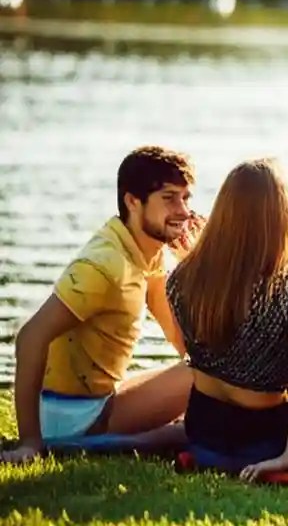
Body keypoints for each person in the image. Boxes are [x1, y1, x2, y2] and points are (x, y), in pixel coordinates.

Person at [1, 147, 200, 464]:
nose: (184, 211)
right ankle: (83, 444)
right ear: (132, 201)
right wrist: (29, 442)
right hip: (72, 417)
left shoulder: (144, 250)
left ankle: (169, 434)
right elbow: (30, 338)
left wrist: (194, 264)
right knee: (202, 373)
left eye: (186, 198)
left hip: (96, 398)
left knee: (201, 369)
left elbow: (185, 342)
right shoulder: (104, 265)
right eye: (169, 198)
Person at [166, 158, 288, 478]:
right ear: (282, 218)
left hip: (203, 437)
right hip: (261, 445)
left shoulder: (181, 277)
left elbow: (187, 353)